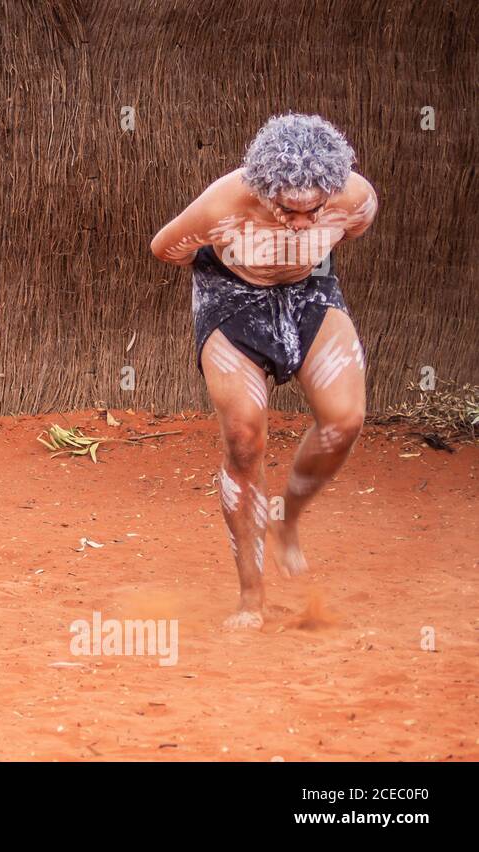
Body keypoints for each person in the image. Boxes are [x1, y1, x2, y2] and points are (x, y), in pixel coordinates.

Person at [150, 114, 378, 628]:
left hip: (310, 291)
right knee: (244, 438)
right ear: (264, 187)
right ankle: (251, 599)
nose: (300, 222)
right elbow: (165, 249)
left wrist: (296, 255)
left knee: (344, 421)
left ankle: (289, 518)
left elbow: (353, 230)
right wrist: (238, 255)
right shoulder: (222, 204)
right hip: (231, 297)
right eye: (286, 210)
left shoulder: (353, 198)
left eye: (312, 211)